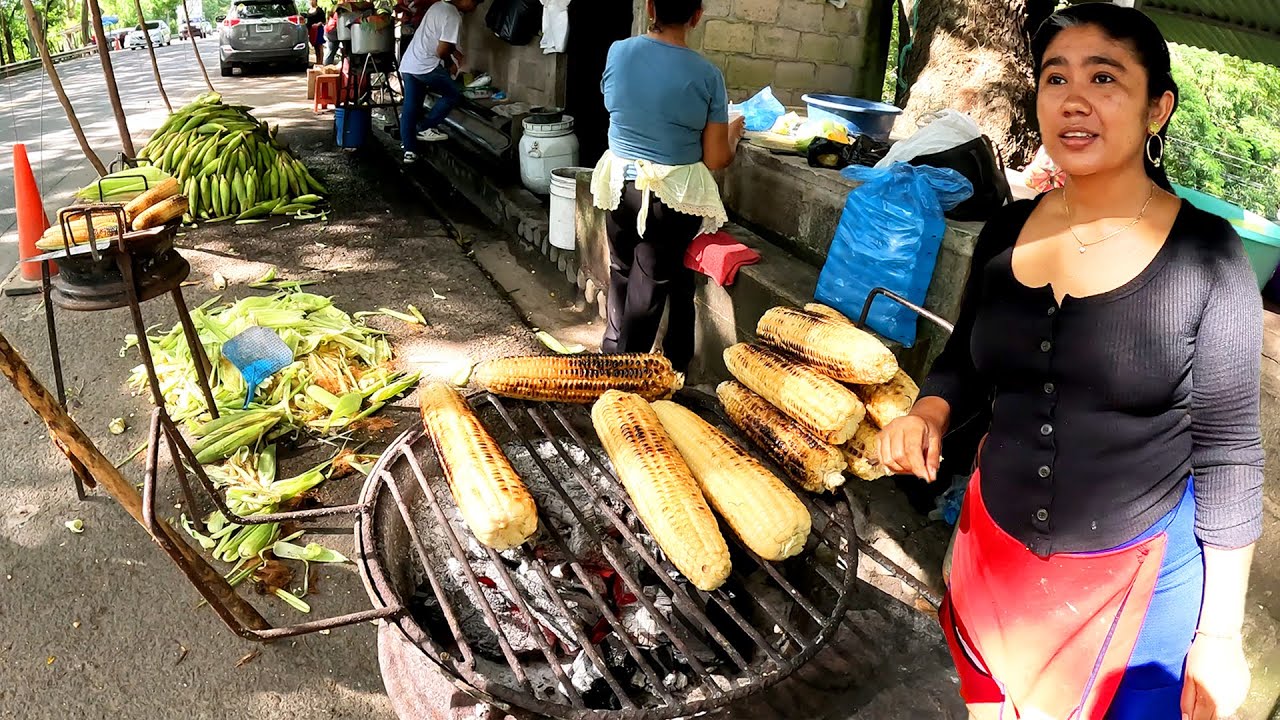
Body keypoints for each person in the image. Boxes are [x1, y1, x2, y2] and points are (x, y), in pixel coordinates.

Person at [878, 5, 1261, 719]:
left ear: (1158, 108)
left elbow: (1229, 452)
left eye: (1104, 78)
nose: (1074, 99)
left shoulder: (1208, 257)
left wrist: (1219, 636)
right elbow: (965, 359)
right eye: (1056, 78)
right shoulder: (1007, 230)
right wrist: (928, 409)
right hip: (994, 559)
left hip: (1139, 588)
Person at [590, 0, 744, 374]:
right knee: (650, 285)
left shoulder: (619, 51)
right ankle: (623, 378)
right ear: (697, 16)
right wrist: (733, 133)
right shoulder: (707, 75)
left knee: (623, 269)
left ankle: (620, 354)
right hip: (668, 197)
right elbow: (716, 158)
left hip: (619, 183)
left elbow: (616, 104)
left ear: (650, 6)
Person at [398, 0, 479, 164]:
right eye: (475, 3)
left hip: (409, 63)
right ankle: (424, 128)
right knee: (453, 94)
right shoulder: (453, 15)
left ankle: (409, 149)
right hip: (425, 66)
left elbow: (439, 38)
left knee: (410, 107)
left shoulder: (438, 6)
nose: (475, 7)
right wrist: (449, 66)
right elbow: (441, 51)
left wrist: (454, 52)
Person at [305, 0, 326, 66]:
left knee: (319, 45)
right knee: (315, 46)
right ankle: (317, 61)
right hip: (311, 30)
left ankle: (321, 62)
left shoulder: (319, 10)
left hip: (318, 29)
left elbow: (323, 20)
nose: (311, 1)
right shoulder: (308, 10)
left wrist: (317, 25)